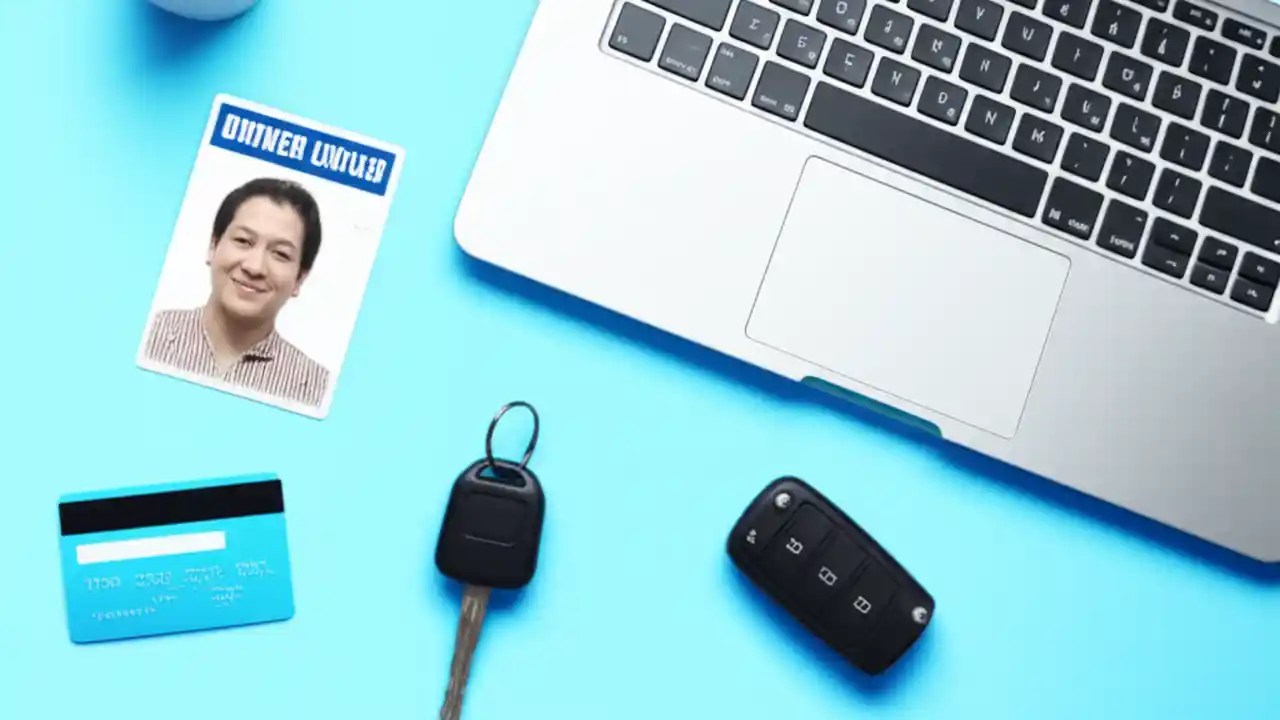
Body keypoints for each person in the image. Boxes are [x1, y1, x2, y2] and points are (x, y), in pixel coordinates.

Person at [145, 177, 329, 408]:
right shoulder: (149, 333)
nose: (254, 267)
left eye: (281, 254)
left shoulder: (315, 389)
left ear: (299, 278)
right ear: (213, 246)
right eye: (243, 241)